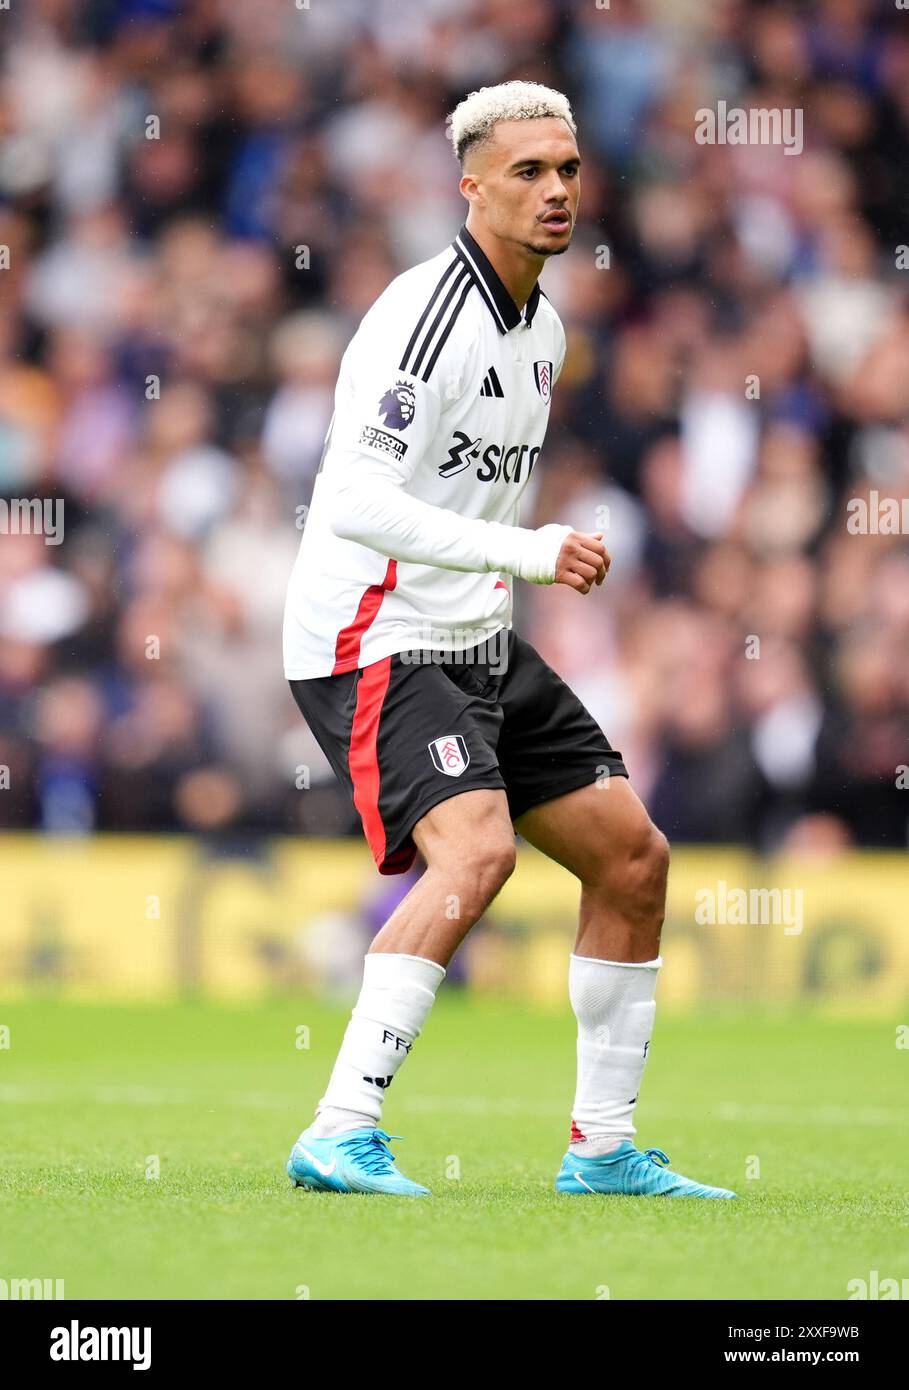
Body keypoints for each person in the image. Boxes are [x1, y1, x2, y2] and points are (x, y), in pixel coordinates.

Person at [282, 80, 735, 1200]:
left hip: (474, 635)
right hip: (373, 634)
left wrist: (507, 570)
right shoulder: (421, 314)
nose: (555, 191)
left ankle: (604, 1150)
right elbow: (352, 501)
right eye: (528, 171)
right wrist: (532, 554)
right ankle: (339, 1128)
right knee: (475, 854)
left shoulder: (546, 328)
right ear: (470, 184)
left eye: (569, 170)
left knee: (633, 857)